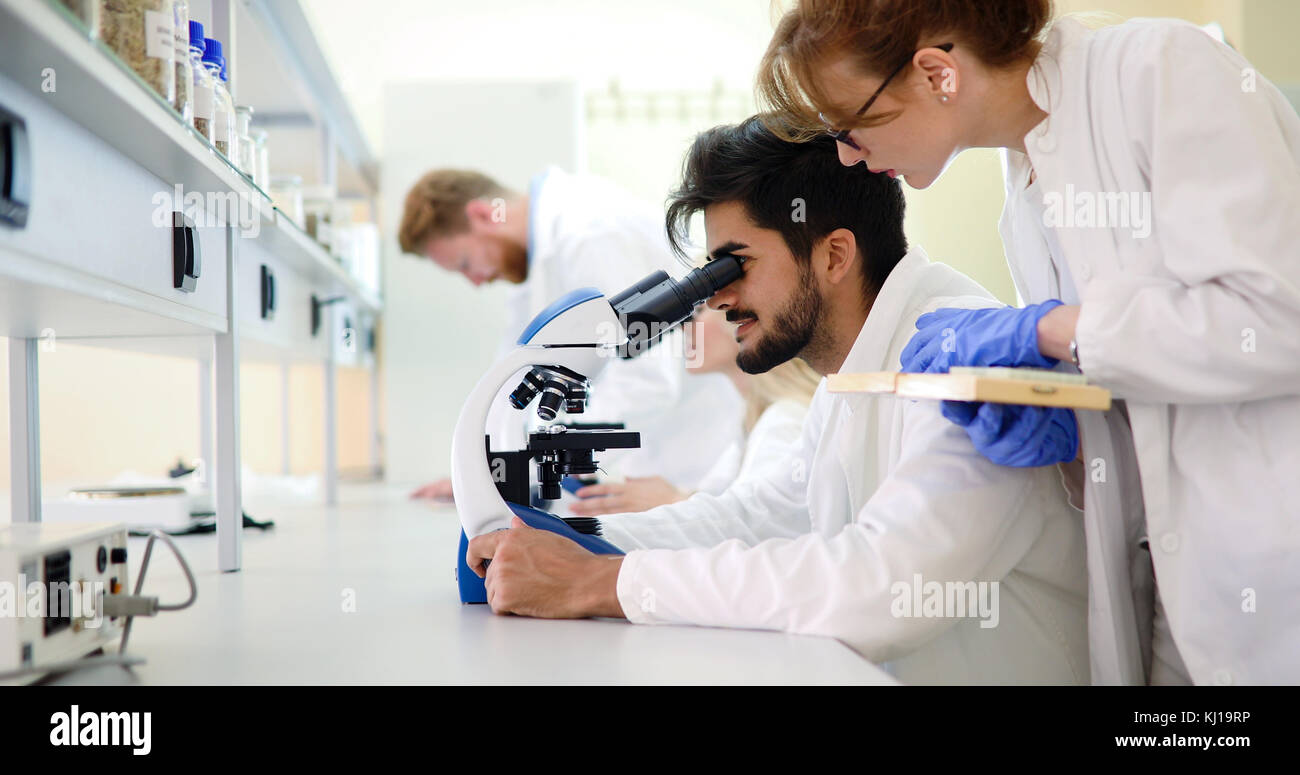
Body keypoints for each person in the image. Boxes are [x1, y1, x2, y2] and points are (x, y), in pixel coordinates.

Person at [755, 0, 1300, 685]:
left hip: (1278, 587)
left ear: (935, 75)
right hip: (1181, 595)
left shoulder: (1162, 71)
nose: (845, 155)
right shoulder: (1027, 184)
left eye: (852, 125)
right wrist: (1070, 434)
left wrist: (1047, 329)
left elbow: (1277, 317)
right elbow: (1155, 385)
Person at [468, 118, 1090, 685]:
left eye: (734, 265)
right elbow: (757, 515)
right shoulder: (851, 370)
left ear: (834, 255)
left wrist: (603, 583)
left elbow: (886, 585)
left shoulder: (957, 350)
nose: (715, 299)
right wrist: (575, 540)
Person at [398, 167, 743, 500]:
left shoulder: (591, 234)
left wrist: (527, 463)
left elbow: (647, 381)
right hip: (655, 462)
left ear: (485, 216)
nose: (475, 282)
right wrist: (481, 470)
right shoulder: (534, 265)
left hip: (696, 460)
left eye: (465, 264)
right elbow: (512, 374)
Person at [568, 306, 820, 516]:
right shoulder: (750, 421)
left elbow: (767, 529)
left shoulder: (785, 419)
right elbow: (726, 504)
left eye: (699, 310)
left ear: (743, 320)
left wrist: (673, 503)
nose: (683, 326)